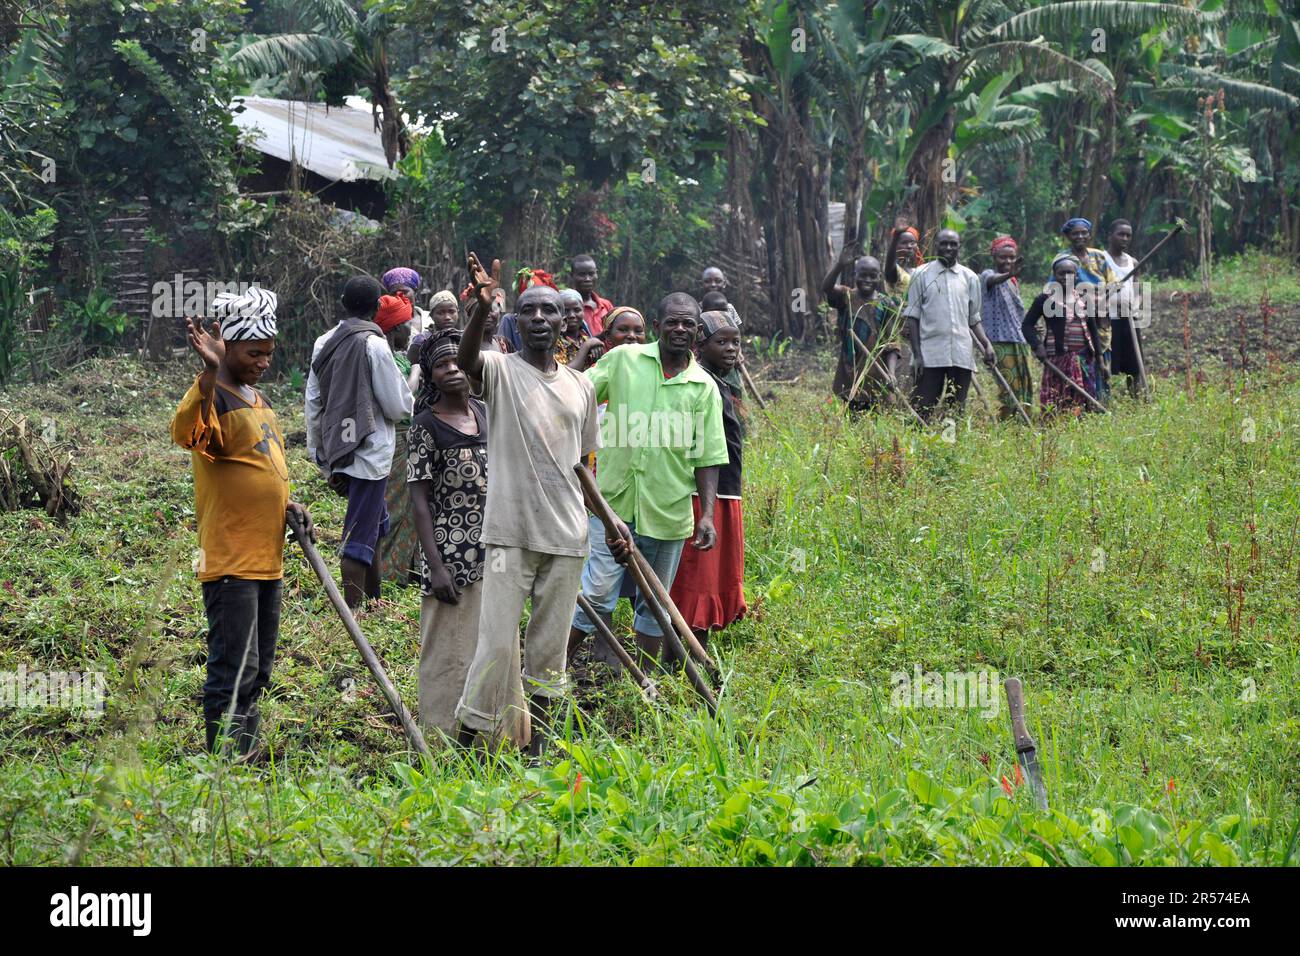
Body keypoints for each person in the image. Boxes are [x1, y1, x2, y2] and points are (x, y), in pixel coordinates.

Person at [453, 252, 615, 757]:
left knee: (548, 655)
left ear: (564, 321)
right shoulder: (500, 371)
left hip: (567, 537)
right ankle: (464, 747)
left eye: (548, 311)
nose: (539, 319)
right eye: (529, 312)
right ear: (515, 321)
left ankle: (537, 754)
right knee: (496, 647)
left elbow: (581, 463)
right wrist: (480, 308)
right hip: (508, 535)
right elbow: (466, 362)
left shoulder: (581, 385)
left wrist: (609, 521)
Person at [170, 288, 315, 759]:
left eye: (269, 353)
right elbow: (185, 432)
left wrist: (287, 504)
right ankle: (225, 763)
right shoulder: (216, 398)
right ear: (226, 346)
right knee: (233, 667)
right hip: (231, 560)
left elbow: (263, 464)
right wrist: (210, 374)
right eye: (254, 353)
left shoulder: (257, 398)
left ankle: (245, 756)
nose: (264, 362)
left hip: (266, 558)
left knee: (258, 670)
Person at [568, 292, 730, 672]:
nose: (680, 328)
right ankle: (552, 670)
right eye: (672, 321)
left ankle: (644, 684)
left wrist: (706, 515)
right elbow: (577, 395)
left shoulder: (702, 387)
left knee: (655, 602)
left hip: (668, 508)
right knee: (598, 592)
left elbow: (708, 456)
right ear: (657, 327)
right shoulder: (624, 360)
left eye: (688, 323)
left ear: (697, 333)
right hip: (612, 505)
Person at [407, 329, 529, 749]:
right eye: (442, 365)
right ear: (431, 376)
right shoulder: (424, 427)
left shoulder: (487, 411)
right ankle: (444, 742)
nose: (453, 370)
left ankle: (501, 741)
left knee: (499, 642)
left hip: (496, 550)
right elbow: (419, 502)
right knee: (450, 650)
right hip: (450, 557)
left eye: (458, 362)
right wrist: (436, 566)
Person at [305, 276, 414, 608]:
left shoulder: (325, 341)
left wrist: (321, 455)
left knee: (375, 525)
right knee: (357, 538)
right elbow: (397, 405)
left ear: (342, 302)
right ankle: (353, 612)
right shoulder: (375, 344)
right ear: (377, 307)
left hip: (340, 448)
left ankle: (374, 600)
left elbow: (314, 401)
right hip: (370, 454)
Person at [667, 310, 747, 652]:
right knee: (697, 577)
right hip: (705, 497)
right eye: (721, 342)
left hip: (727, 494)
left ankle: (688, 654)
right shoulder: (700, 383)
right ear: (701, 345)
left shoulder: (722, 382)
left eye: (735, 342)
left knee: (713, 576)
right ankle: (684, 657)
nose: (731, 349)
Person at [903, 229, 996, 421]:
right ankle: (917, 447)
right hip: (930, 354)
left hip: (961, 354)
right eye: (944, 243)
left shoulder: (969, 277)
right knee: (923, 405)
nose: (948, 247)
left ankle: (948, 445)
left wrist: (986, 344)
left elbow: (973, 318)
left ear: (959, 247)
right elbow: (912, 316)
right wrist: (917, 355)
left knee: (955, 408)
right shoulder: (922, 274)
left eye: (953, 244)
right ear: (936, 245)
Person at [375, 295, 422, 586]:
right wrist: (416, 369)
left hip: (408, 438)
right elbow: (404, 395)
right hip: (396, 439)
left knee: (411, 505)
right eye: (407, 325)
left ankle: (405, 569)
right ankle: (388, 573)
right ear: (394, 329)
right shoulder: (389, 360)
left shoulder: (399, 356)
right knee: (394, 506)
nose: (411, 331)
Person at [1022, 253, 1104, 417]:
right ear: (1054, 275)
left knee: (1085, 400)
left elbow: (1093, 330)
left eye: (1070, 273)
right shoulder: (1044, 300)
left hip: (1083, 358)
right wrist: (1037, 346)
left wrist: (1100, 360)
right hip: (1057, 359)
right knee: (1057, 398)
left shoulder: (1084, 299)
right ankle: (1056, 431)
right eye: (1061, 273)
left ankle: (1081, 430)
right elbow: (1027, 325)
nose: (1066, 277)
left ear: (1076, 275)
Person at [822, 245, 901, 409]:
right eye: (863, 275)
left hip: (876, 371)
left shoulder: (886, 305)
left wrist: (891, 373)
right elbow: (827, 288)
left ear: (879, 277)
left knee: (877, 416)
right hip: (849, 369)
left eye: (873, 276)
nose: (867, 279)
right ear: (854, 275)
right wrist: (839, 265)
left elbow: (892, 344)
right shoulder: (846, 296)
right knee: (851, 415)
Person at [1059, 217, 1117, 401]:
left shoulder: (1099, 257)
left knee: (1102, 358)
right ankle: (1082, 401)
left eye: (1084, 232)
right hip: (1077, 319)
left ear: (1089, 235)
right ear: (1068, 236)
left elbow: (1113, 284)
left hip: (1101, 317)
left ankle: (1102, 401)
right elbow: (1055, 288)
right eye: (1075, 233)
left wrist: (1104, 303)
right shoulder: (1063, 259)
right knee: (1082, 359)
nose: (1080, 236)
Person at [979, 235, 1034, 420]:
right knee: (1007, 386)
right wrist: (1010, 273)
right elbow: (994, 280)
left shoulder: (1013, 282)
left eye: (1011, 257)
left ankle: (1021, 424)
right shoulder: (987, 275)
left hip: (1018, 340)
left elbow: (1017, 313)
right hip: (999, 342)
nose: (1008, 261)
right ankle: (1004, 424)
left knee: (1024, 384)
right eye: (1003, 257)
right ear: (994, 257)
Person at [1103, 218, 1145, 398]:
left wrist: (1135, 306)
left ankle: (1136, 398)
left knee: (1134, 363)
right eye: (1121, 234)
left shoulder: (1133, 262)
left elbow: (1137, 289)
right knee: (1107, 362)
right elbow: (1094, 290)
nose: (1125, 238)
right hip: (1108, 318)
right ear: (1110, 236)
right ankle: (1104, 398)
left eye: (1128, 235)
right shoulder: (1101, 260)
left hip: (1129, 318)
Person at [497, 266, 559, 353]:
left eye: (546, 309)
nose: (538, 317)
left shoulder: (556, 321)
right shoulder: (510, 321)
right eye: (529, 309)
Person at [556, 288, 601, 368]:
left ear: (583, 311)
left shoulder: (587, 339)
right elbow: (564, 375)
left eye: (577, 310)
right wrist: (586, 347)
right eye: (566, 311)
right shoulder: (554, 342)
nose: (572, 315)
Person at [572, 254, 613, 336]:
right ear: (572, 275)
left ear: (596, 274)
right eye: (582, 274)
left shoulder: (606, 305)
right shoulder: (567, 307)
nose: (587, 279)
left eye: (591, 274)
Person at [382, 267, 430, 336]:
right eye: (394, 293)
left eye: (404, 292)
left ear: (415, 292)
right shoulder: (386, 324)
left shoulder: (431, 319)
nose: (399, 296)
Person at [884, 221, 922, 298]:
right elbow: (890, 268)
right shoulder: (894, 270)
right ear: (895, 245)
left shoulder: (917, 271)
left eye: (912, 242)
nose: (909, 246)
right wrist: (896, 237)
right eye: (904, 242)